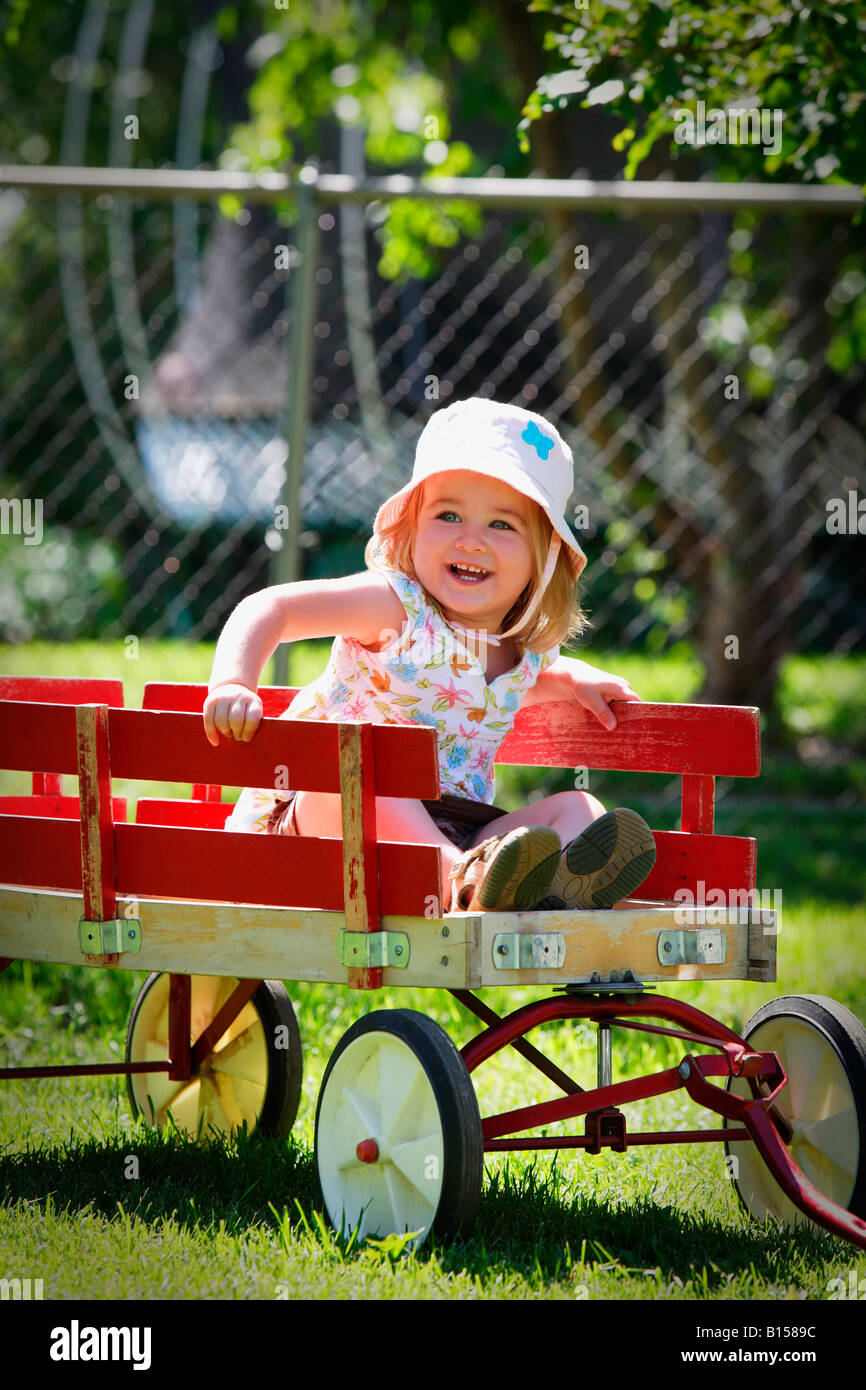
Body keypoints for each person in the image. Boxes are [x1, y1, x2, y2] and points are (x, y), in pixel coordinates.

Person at [203, 397, 657, 913]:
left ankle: (552, 889)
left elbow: (526, 681)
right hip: (319, 826)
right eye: (448, 515)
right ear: (411, 528)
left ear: (543, 557)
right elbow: (273, 607)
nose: (471, 540)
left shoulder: (520, 654)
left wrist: (574, 680)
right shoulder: (394, 609)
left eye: (502, 525)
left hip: (454, 831)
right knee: (368, 776)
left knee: (580, 807)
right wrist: (233, 683)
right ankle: (467, 879)